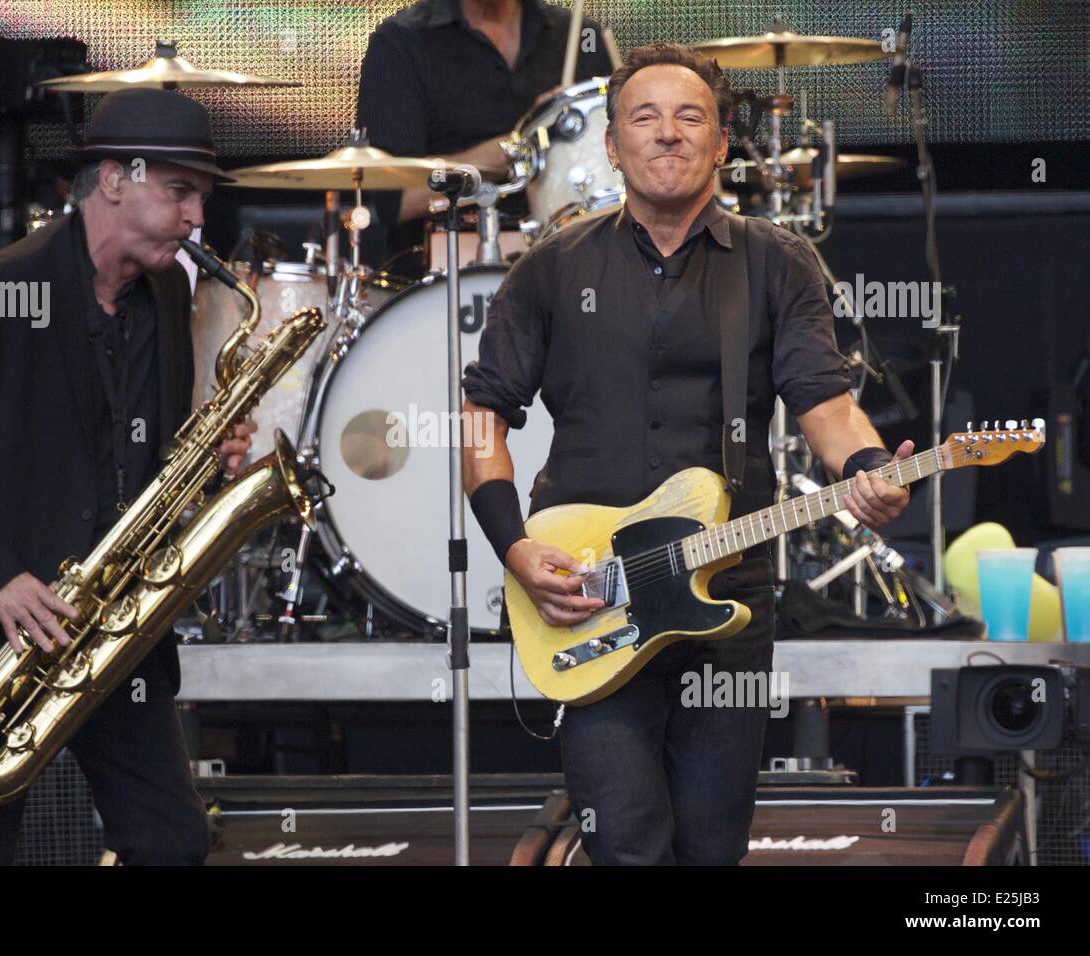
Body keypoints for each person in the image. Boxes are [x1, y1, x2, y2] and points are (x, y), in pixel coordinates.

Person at [461, 43, 913, 865]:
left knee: (711, 848)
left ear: (722, 145)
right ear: (610, 146)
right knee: (626, 844)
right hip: (588, 589)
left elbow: (826, 403)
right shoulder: (551, 269)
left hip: (726, 588)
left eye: (689, 117)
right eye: (644, 117)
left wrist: (864, 471)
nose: (667, 134)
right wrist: (515, 548)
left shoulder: (777, 262)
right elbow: (481, 415)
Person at [0, 88, 254, 865]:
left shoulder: (164, 296)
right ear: (115, 179)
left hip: (111, 631)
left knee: (171, 839)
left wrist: (208, 471)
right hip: (0, 636)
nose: (197, 219)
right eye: (181, 192)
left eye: (202, 198)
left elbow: (143, 469)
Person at [356, 0, 614, 265]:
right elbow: (394, 201)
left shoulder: (582, 35)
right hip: (442, 274)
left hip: (572, 259)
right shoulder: (399, 44)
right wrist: (521, 147)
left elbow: (616, 169)